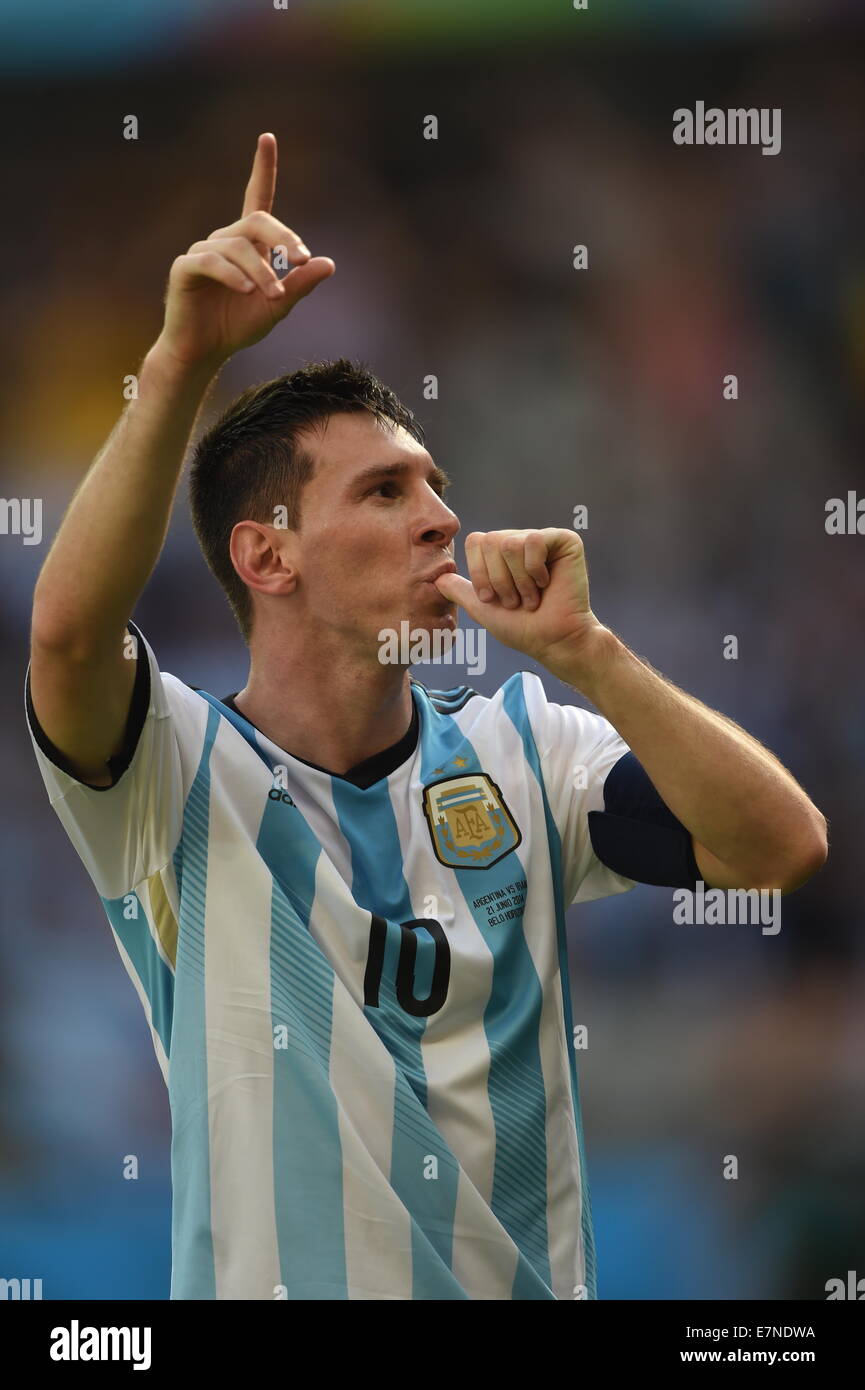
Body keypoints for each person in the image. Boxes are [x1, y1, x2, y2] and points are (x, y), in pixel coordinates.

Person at [25, 132, 828, 1300]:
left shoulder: (525, 747)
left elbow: (782, 848)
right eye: (388, 490)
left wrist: (591, 658)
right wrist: (183, 356)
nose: (441, 519)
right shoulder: (173, 772)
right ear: (268, 554)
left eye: (438, 485)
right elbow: (67, 635)